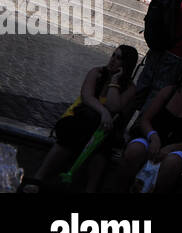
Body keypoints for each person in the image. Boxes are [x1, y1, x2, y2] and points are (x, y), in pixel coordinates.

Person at [33, 45, 139, 190]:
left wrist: (114, 81)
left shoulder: (130, 88)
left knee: (101, 148)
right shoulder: (96, 73)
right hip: (77, 120)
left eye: (119, 58)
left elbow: (114, 106)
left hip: (99, 131)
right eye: (113, 55)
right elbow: (87, 97)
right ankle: (39, 177)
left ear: (126, 64)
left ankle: (42, 179)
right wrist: (104, 112)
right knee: (76, 133)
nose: (113, 60)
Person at [110, 62, 182, 194]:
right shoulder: (169, 91)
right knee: (134, 150)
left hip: (177, 148)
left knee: (171, 163)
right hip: (152, 137)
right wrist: (153, 137)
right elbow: (145, 119)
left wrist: (171, 148)